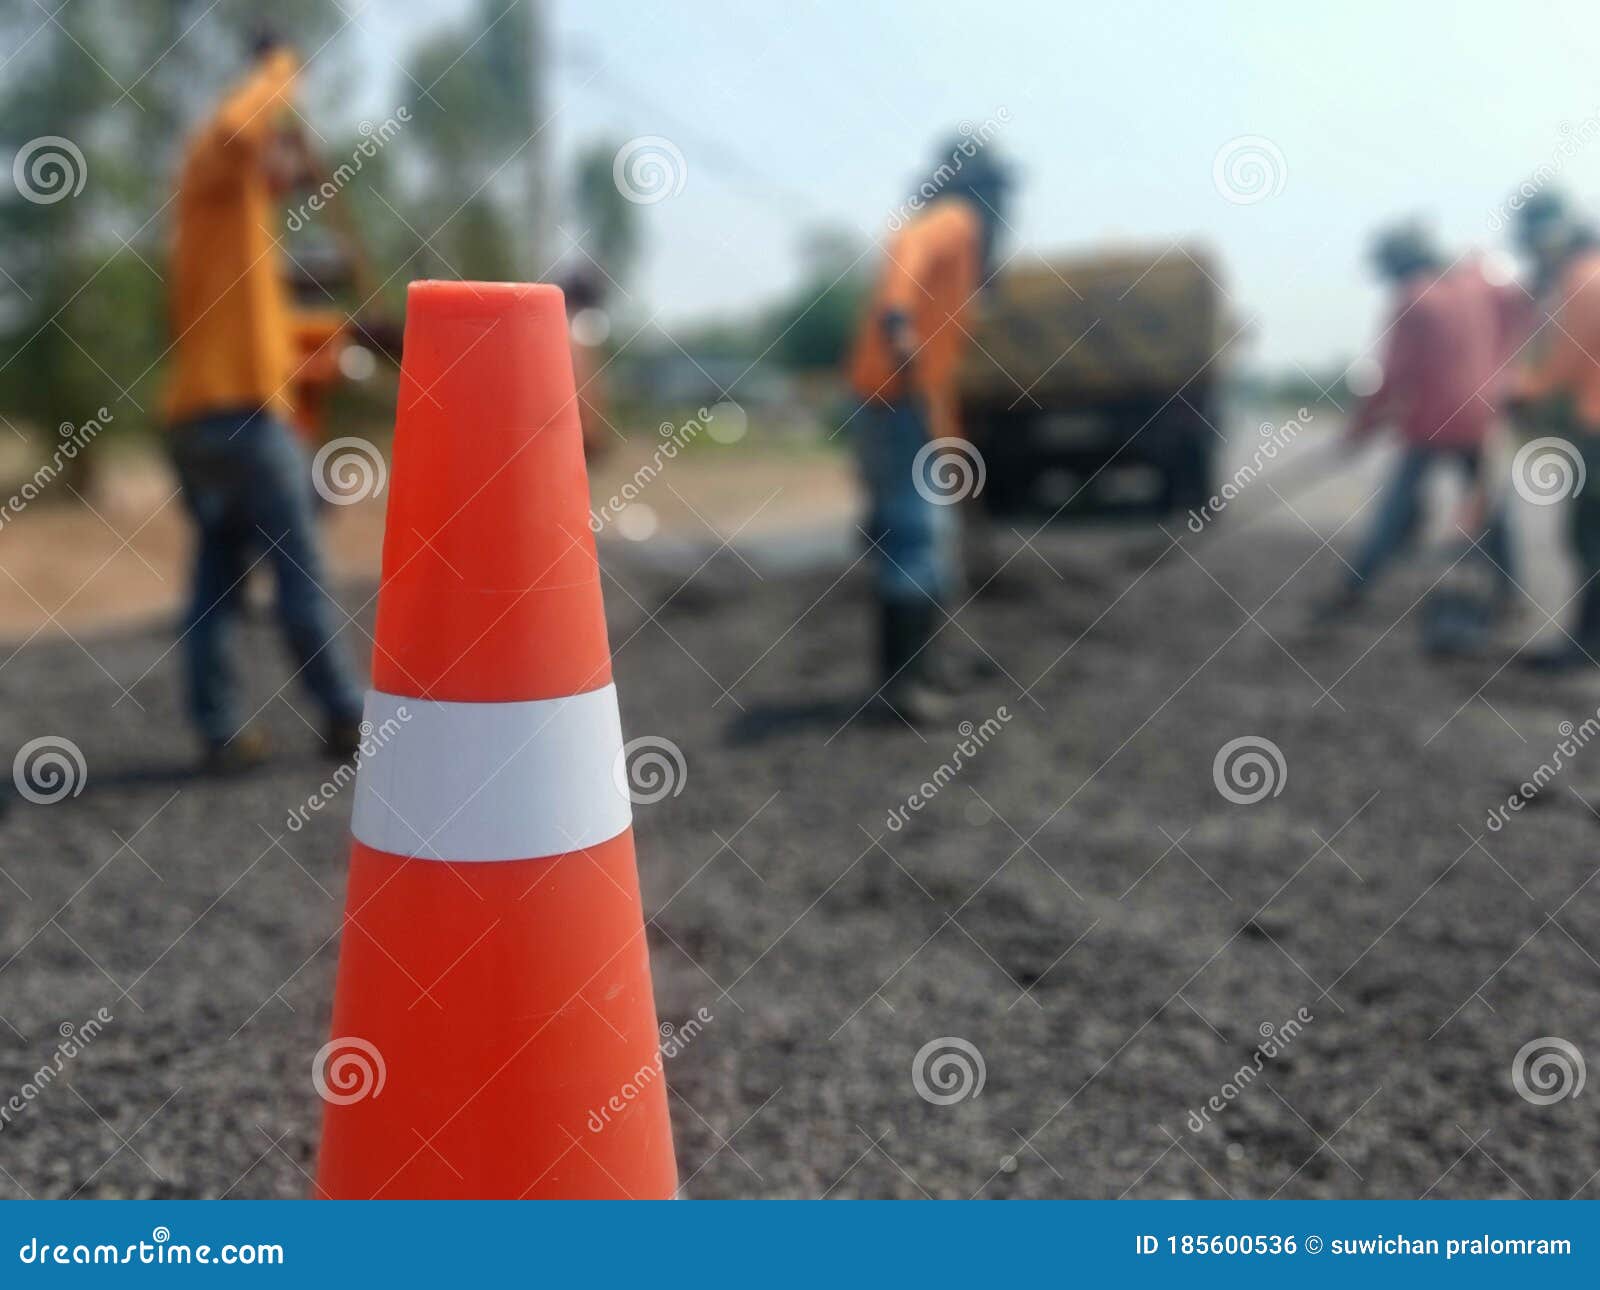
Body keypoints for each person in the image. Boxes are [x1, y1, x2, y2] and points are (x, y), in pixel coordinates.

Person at [163, 31, 365, 771]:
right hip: (246, 418)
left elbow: (274, 328)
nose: (288, 168)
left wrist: (353, 331)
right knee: (300, 569)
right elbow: (240, 125)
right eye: (281, 156)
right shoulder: (220, 170)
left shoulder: (221, 228)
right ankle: (347, 715)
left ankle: (220, 733)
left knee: (217, 582)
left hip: (197, 424)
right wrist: (283, 67)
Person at [846, 137, 1010, 724]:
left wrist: (948, 443)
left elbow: (940, 369)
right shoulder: (953, 219)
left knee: (929, 538)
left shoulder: (963, 265)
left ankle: (925, 667)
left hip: (910, 407)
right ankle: (902, 687)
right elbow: (905, 250)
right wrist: (896, 322)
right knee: (915, 535)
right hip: (893, 399)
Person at [1312, 223, 1521, 623]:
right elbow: (1516, 318)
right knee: (1491, 509)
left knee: (1394, 508)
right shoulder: (1480, 285)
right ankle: (1510, 596)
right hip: (1480, 417)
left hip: (1431, 423)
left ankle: (1354, 590)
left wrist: (1358, 431)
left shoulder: (1413, 298)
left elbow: (1390, 377)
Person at [1509, 191, 1600, 670]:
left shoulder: (1583, 280)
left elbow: (1566, 357)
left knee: (1589, 536)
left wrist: (1524, 390)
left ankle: (1586, 647)